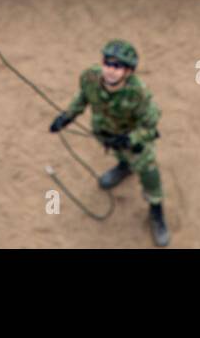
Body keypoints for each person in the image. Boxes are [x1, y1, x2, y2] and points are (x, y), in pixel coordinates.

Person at [50, 39, 169, 246]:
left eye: (117, 66)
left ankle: (156, 212)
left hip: (134, 139)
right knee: (119, 153)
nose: (110, 70)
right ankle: (124, 167)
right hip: (105, 131)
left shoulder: (138, 93)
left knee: (149, 172)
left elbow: (150, 124)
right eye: (107, 63)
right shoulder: (90, 77)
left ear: (128, 72)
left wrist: (132, 139)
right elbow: (83, 97)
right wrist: (68, 116)